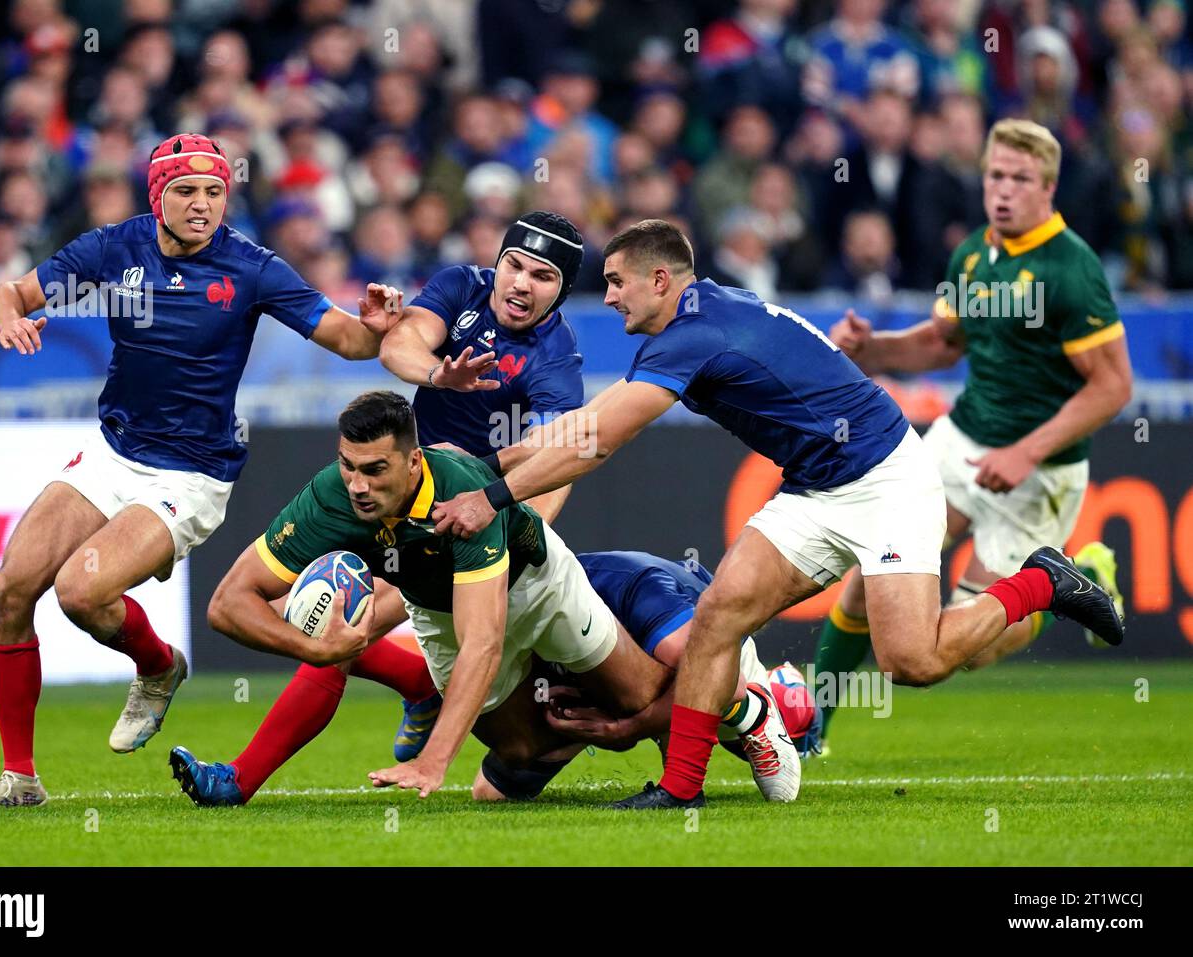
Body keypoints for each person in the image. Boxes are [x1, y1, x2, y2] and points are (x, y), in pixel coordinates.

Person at [431, 217, 1124, 810]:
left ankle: (1044, 582)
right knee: (720, 613)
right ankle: (679, 790)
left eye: (616, 282)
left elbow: (594, 442)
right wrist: (492, 468)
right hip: (816, 487)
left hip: (886, 476)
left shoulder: (689, 336)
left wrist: (488, 498)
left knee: (912, 659)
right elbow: (584, 424)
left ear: (660, 280)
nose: (608, 296)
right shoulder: (701, 315)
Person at [0, 133, 403, 810]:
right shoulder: (113, 248)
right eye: (185, 191)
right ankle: (20, 778)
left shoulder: (252, 267)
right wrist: (8, 317)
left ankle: (158, 664)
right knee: (9, 590)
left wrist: (372, 327)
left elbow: (345, 338)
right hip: (113, 453)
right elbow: (13, 293)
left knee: (81, 592)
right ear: (157, 196)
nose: (202, 205)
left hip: (191, 474)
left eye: (214, 192)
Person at [170, 212, 594, 804]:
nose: (521, 284)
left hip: (468, 525)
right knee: (341, 623)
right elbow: (397, 344)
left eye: (542, 277)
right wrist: (440, 378)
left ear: (562, 291)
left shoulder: (554, 358)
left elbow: (556, 458)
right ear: (498, 262)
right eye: (515, 265)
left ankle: (240, 781)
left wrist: (503, 518)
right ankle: (417, 685)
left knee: (345, 630)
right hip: (403, 492)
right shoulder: (460, 287)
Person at [815, 119, 1132, 745]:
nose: (1003, 190)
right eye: (995, 176)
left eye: (1020, 179)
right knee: (870, 578)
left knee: (965, 640)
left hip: (1038, 470)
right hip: (960, 442)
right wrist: (870, 350)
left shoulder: (1072, 269)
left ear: (1048, 187)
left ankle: (1071, 584)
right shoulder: (973, 253)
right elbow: (943, 341)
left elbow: (1113, 386)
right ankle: (810, 725)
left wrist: (1026, 450)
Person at [191, 391, 671, 801]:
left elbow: (483, 640)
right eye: (348, 466)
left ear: (413, 462)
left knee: (638, 699)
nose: (358, 486)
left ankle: (718, 692)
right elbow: (228, 604)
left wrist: (432, 761)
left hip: (538, 585)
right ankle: (584, 725)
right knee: (520, 749)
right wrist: (316, 649)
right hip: (437, 612)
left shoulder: (460, 489)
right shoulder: (328, 498)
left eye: (375, 470)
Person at [476, 549, 818, 803]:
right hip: (607, 684)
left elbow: (721, 676)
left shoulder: (631, 589)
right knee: (492, 792)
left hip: (720, 661)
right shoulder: (512, 612)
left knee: (790, 717)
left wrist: (629, 728)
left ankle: (760, 705)